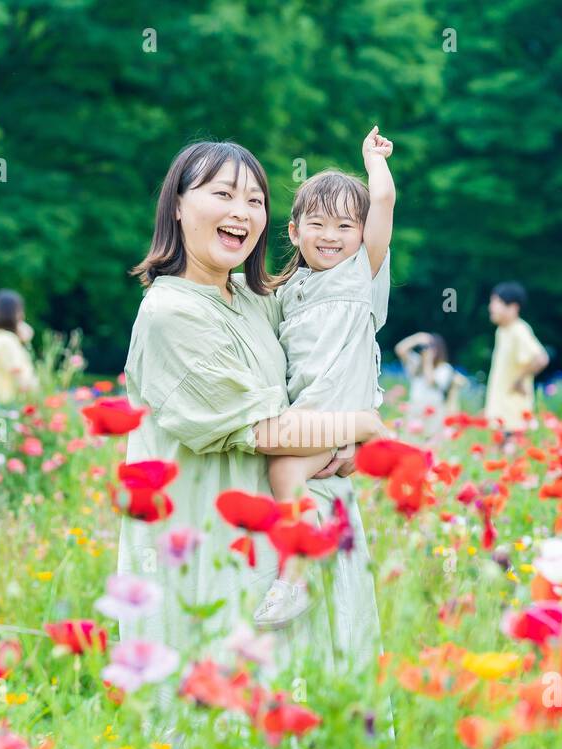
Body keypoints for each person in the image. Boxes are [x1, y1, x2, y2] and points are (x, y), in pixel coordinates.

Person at [118, 140, 387, 670]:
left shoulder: (257, 299)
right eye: (223, 194)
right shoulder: (172, 313)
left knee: (313, 721)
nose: (241, 212)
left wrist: (346, 438)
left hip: (295, 535)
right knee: (223, 718)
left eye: (255, 200)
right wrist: (365, 424)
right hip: (213, 544)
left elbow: (327, 368)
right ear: (177, 204)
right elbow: (265, 429)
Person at [254, 125, 395, 628]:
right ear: (293, 231)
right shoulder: (289, 289)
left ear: (362, 237)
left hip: (336, 417)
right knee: (292, 478)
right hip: (310, 422)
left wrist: (373, 159)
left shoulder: (361, 275)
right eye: (317, 224)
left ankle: (298, 574)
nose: (331, 237)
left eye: (344, 227)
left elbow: (383, 200)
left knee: (284, 472)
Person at [483, 281, 548, 432]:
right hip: (500, 411)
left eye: (497, 302)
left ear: (513, 307)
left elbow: (541, 358)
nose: (491, 307)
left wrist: (519, 380)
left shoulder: (519, 330)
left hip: (513, 415)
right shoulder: (502, 331)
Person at [394, 331, 467, 439]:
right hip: (415, 408)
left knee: (429, 441)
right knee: (411, 440)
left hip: (434, 412)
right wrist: (417, 338)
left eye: (431, 347)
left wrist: (428, 361)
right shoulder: (417, 363)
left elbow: (430, 381)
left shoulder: (444, 368)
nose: (427, 350)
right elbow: (400, 350)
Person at [0, 289, 36, 405]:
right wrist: (34, 394)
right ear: (12, 312)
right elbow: (16, 371)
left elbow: (27, 333)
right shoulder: (6, 340)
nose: (22, 315)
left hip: (0, 395)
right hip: (12, 399)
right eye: (19, 310)